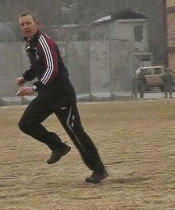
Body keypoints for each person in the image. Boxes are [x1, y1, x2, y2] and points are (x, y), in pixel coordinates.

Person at [16, 11, 108, 183]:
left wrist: (34, 87)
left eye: (28, 23)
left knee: (76, 132)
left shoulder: (45, 42)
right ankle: (58, 146)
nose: (25, 27)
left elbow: (52, 69)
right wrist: (25, 77)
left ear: (37, 23)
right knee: (26, 124)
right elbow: (38, 67)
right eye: (22, 24)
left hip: (61, 94)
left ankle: (99, 170)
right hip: (47, 95)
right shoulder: (30, 44)